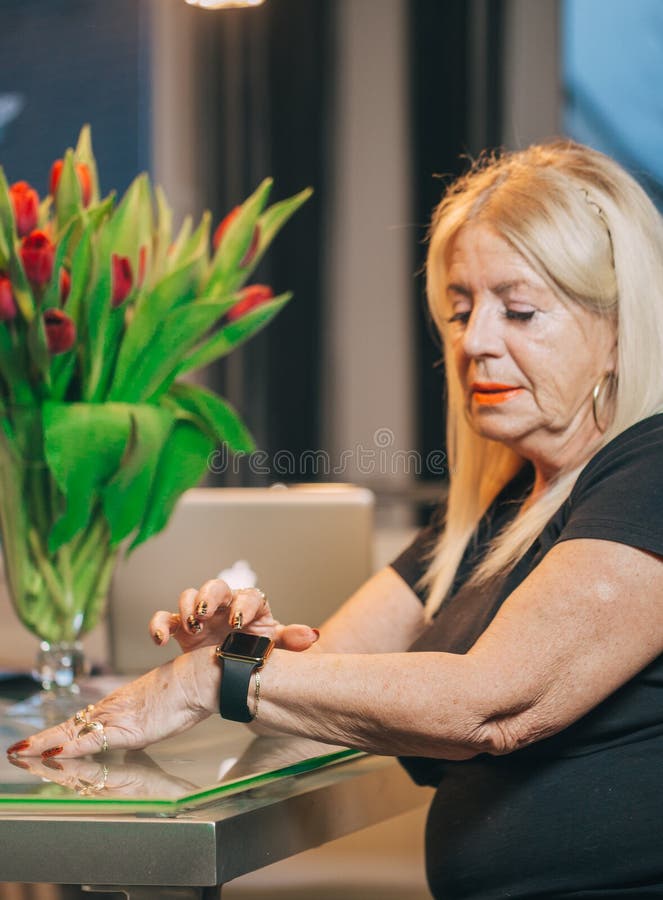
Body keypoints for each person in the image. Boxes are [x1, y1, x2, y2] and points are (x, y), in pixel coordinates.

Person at [7, 140, 663, 899]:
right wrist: (241, 650)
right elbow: (313, 689)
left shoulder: (650, 472)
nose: (474, 341)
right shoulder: (511, 506)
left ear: (617, 329)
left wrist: (213, 680)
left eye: (517, 310)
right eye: (459, 309)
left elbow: (494, 702)